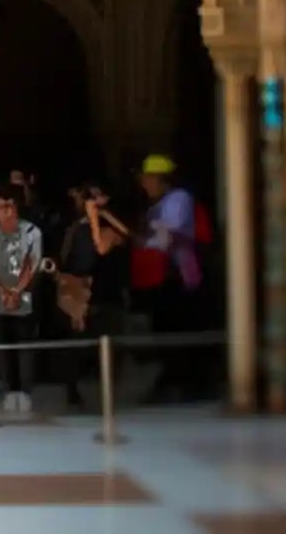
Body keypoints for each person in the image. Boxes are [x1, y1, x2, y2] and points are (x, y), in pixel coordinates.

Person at [56, 182, 131, 408]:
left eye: (97, 197)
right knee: (77, 347)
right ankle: (73, 392)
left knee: (111, 347)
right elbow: (65, 262)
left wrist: (97, 218)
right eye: (89, 198)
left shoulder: (112, 224)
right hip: (82, 293)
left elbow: (102, 247)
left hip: (108, 293)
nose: (93, 202)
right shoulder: (75, 228)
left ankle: (108, 396)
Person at [135, 154, 203, 403]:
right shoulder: (156, 205)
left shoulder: (178, 199)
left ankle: (185, 384)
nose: (144, 184)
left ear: (161, 179)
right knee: (163, 329)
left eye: (148, 179)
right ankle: (172, 381)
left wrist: (145, 242)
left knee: (178, 330)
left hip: (179, 275)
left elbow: (169, 236)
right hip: (161, 277)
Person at [0, 182, 43, 414]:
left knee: (24, 346)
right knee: (1, 346)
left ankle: (24, 392)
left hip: (22, 296)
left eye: (9, 206)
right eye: (0, 207)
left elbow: (31, 264)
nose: (4, 212)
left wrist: (16, 291)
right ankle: (9, 390)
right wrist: (1, 291)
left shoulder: (32, 231)